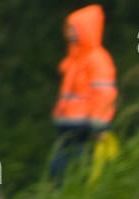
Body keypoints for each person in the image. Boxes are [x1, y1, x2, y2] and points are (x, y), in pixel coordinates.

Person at [49, 5, 116, 185]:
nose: (69, 33)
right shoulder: (73, 60)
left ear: (85, 30)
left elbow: (104, 94)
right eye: (68, 28)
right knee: (57, 171)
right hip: (68, 127)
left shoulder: (97, 59)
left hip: (84, 129)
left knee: (75, 173)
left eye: (73, 28)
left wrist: (100, 127)